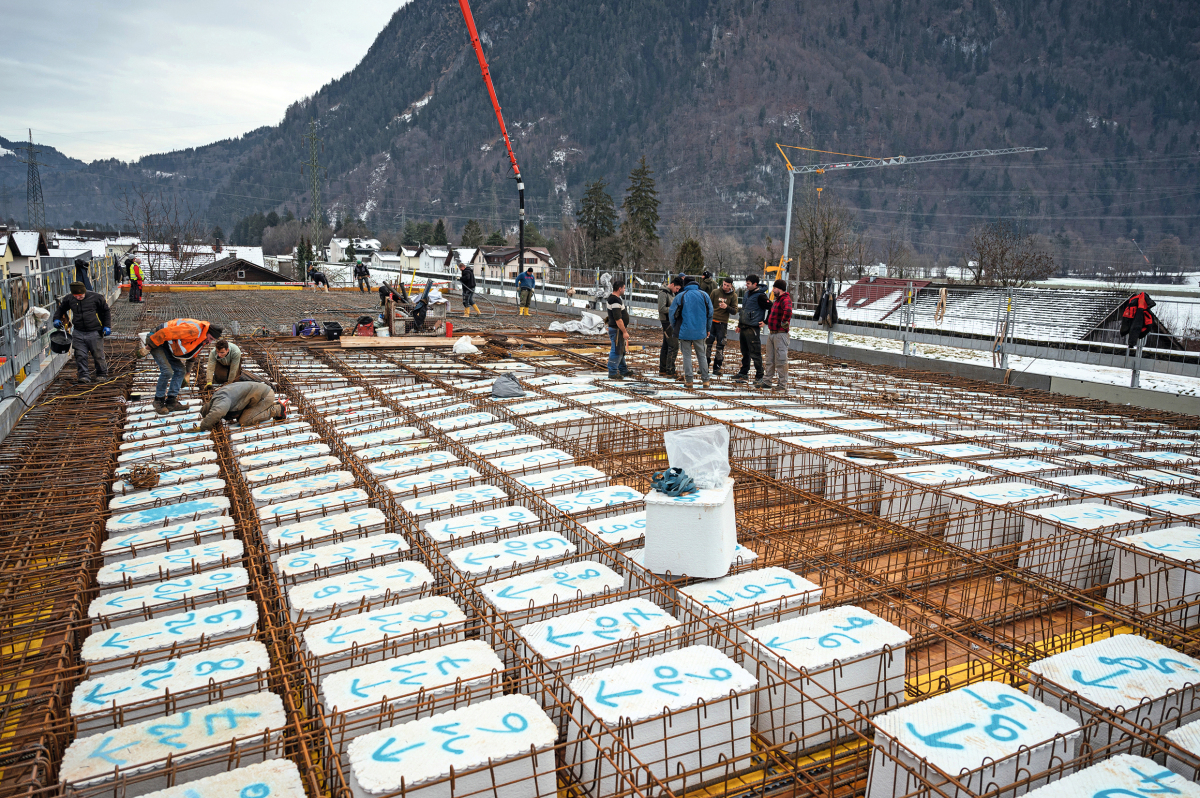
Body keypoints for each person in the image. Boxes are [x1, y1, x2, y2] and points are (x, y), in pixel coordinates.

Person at [144, 318, 222, 415]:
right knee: (167, 371)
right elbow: (164, 332)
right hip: (156, 339)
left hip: (168, 345)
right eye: (210, 338)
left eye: (212, 340)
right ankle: (158, 401)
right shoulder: (194, 330)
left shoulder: (203, 339)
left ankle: (171, 402)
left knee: (180, 371)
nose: (210, 342)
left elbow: (193, 354)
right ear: (207, 332)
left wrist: (188, 373)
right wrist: (148, 347)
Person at [53, 281, 110, 384]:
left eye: (80, 295)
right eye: (76, 296)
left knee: (98, 354)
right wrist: (56, 318)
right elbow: (61, 309)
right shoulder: (69, 299)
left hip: (94, 331)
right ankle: (84, 376)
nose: (78, 297)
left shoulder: (96, 297)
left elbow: (106, 311)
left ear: (84, 292)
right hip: (78, 331)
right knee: (80, 355)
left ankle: (101, 374)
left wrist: (107, 326)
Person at [670, 274, 714, 389]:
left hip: (684, 331)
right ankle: (706, 381)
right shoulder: (704, 295)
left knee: (687, 356)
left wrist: (676, 327)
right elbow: (710, 314)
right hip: (700, 332)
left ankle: (689, 381)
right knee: (702, 355)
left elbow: (672, 313)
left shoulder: (681, 296)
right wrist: (708, 329)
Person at [197, 382, 288, 431]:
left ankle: (277, 409)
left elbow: (218, 412)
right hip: (257, 396)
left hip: (264, 396)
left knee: (244, 421)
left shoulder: (220, 400)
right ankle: (268, 406)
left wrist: (203, 426)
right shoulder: (217, 397)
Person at [732, 275, 769, 384]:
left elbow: (771, 307)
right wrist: (739, 324)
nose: (746, 285)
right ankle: (744, 373)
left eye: (748, 283)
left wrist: (766, 321)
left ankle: (759, 375)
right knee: (745, 352)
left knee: (755, 353)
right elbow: (743, 310)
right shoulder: (747, 294)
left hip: (752, 328)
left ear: (755, 284)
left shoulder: (761, 296)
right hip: (744, 327)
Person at [758, 279, 793, 391]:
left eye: (774, 288)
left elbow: (788, 311)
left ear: (779, 289)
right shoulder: (778, 300)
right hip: (773, 333)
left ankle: (782, 384)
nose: (773, 290)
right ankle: (767, 381)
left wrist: (784, 322)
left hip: (780, 334)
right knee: (770, 359)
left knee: (781, 360)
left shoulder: (785, 299)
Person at [707, 276, 739, 378]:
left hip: (722, 323)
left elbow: (735, 311)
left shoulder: (733, 296)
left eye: (727, 285)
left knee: (720, 346)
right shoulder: (715, 292)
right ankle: (704, 366)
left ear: (731, 286)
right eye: (724, 284)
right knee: (707, 345)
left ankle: (717, 368)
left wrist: (727, 307)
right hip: (712, 321)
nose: (725, 287)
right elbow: (708, 305)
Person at [605, 277, 632, 380]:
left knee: (620, 350)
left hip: (617, 329)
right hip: (617, 329)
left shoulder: (613, 298)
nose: (625, 290)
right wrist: (624, 331)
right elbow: (618, 318)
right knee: (616, 351)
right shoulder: (615, 300)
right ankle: (612, 372)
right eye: (624, 288)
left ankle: (623, 370)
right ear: (619, 288)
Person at [656, 278, 681, 376]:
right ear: (673, 284)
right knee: (674, 345)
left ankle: (663, 369)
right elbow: (661, 308)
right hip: (666, 322)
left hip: (669, 321)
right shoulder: (663, 293)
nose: (677, 291)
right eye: (677, 288)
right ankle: (670, 370)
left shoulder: (671, 293)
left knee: (666, 346)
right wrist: (674, 309)